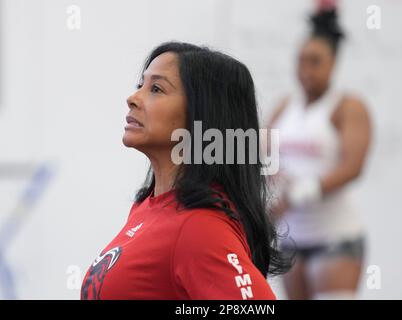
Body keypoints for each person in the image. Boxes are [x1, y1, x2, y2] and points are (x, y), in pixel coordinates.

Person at [80, 42, 290, 300]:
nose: (133, 98)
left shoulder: (199, 226)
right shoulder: (149, 206)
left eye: (156, 89)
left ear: (201, 114)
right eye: (140, 86)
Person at [267, 7, 372, 300]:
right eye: (300, 61)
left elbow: (353, 167)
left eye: (315, 62)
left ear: (334, 64)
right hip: (292, 237)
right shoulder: (285, 106)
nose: (306, 70)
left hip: (335, 238)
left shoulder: (348, 107)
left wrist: (301, 192)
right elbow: (260, 155)